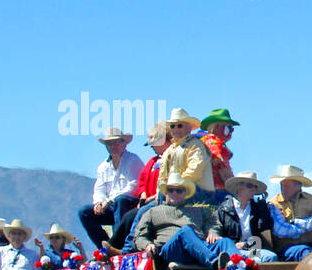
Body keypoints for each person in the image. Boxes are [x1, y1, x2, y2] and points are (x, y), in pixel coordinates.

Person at [132, 175, 240, 270]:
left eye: (179, 190)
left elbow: (213, 223)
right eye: (171, 190)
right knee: (185, 231)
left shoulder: (199, 210)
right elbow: (139, 236)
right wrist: (147, 244)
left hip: (199, 249)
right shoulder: (152, 212)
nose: (174, 193)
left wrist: (213, 233)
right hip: (172, 250)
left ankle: (244, 267)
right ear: (166, 193)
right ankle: (216, 264)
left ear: (185, 193)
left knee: (225, 242)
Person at [112, 121, 172, 253]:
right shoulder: (153, 161)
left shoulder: (171, 158)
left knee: (135, 215)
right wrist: (143, 194)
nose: (152, 147)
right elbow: (142, 180)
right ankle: (116, 245)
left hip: (159, 199)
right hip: (146, 200)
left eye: (155, 143)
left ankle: (125, 248)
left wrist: (153, 197)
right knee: (128, 215)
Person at [79, 127, 144, 247]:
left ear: (124, 143)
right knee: (84, 212)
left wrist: (109, 201)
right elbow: (99, 189)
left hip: (130, 205)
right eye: (109, 143)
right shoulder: (103, 167)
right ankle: (104, 247)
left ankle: (118, 245)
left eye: (116, 142)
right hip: (111, 207)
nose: (113, 146)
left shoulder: (133, 160)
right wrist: (99, 203)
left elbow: (134, 186)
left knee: (121, 200)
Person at [268, 165, 312, 261]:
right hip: (287, 248)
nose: (283, 188)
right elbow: (281, 231)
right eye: (282, 184)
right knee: (304, 251)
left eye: (287, 185)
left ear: (298, 185)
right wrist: (310, 223)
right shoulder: (274, 204)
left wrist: (294, 222)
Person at [156, 107, 215, 204]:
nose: (175, 129)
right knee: (142, 211)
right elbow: (162, 176)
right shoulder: (169, 150)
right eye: (172, 126)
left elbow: (195, 169)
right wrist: (159, 190)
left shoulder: (196, 145)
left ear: (189, 128)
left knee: (166, 197)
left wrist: (176, 184)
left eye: (179, 125)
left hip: (199, 191)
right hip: (175, 191)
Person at [217, 172, 278, 261]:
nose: (253, 189)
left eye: (255, 187)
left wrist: (263, 207)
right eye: (250, 185)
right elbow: (218, 233)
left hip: (253, 249)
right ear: (239, 187)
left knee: (270, 257)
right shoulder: (224, 209)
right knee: (247, 262)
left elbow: (264, 231)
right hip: (232, 250)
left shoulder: (257, 208)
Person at [200, 108, 239, 197]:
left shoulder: (204, 140)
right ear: (216, 127)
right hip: (218, 193)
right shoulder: (214, 143)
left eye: (232, 129)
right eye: (228, 128)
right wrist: (237, 191)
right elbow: (224, 172)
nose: (231, 132)